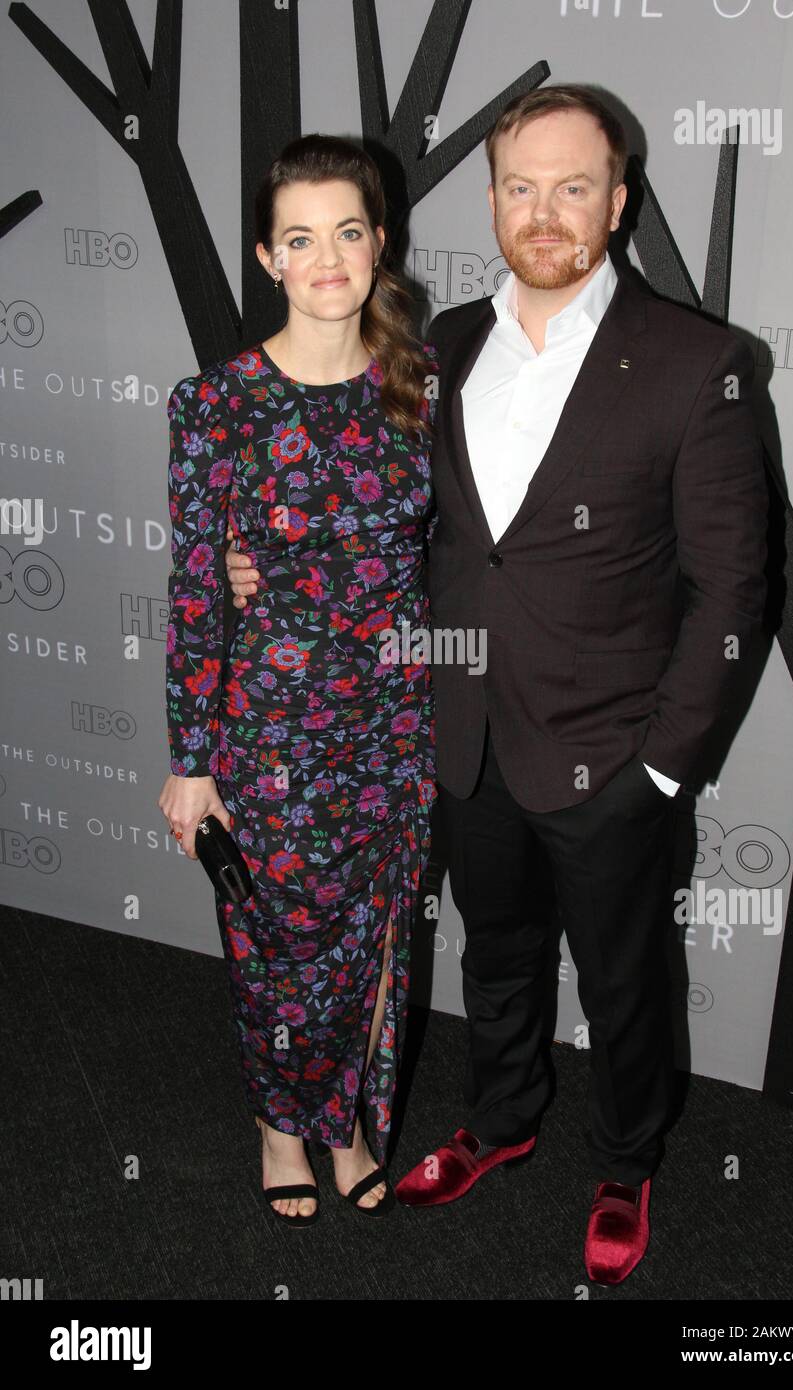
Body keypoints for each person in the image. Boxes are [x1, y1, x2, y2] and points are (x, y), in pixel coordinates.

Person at [225, 85, 768, 1282]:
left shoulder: (697, 361)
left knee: (626, 980)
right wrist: (263, 561)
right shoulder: (437, 346)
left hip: (614, 753)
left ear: (616, 202)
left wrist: (664, 765)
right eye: (519, 185)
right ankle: (503, 1119)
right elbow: (388, 526)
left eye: (572, 185)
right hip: (460, 734)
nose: (543, 210)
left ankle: (625, 1162)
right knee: (495, 955)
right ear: (490, 198)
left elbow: (731, 592)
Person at [157, 133, 437, 1224]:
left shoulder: (420, 385)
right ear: (268, 258)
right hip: (264, 726)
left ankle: (351, 1123)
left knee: (370, 936)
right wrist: (190, 759)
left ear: (379, 244)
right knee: (273, 942)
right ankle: (282, 1126)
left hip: (390, 722)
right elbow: (190, 587)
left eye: (349, 231)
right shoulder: (214, 404)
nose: (328, 258)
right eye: (300, 237)